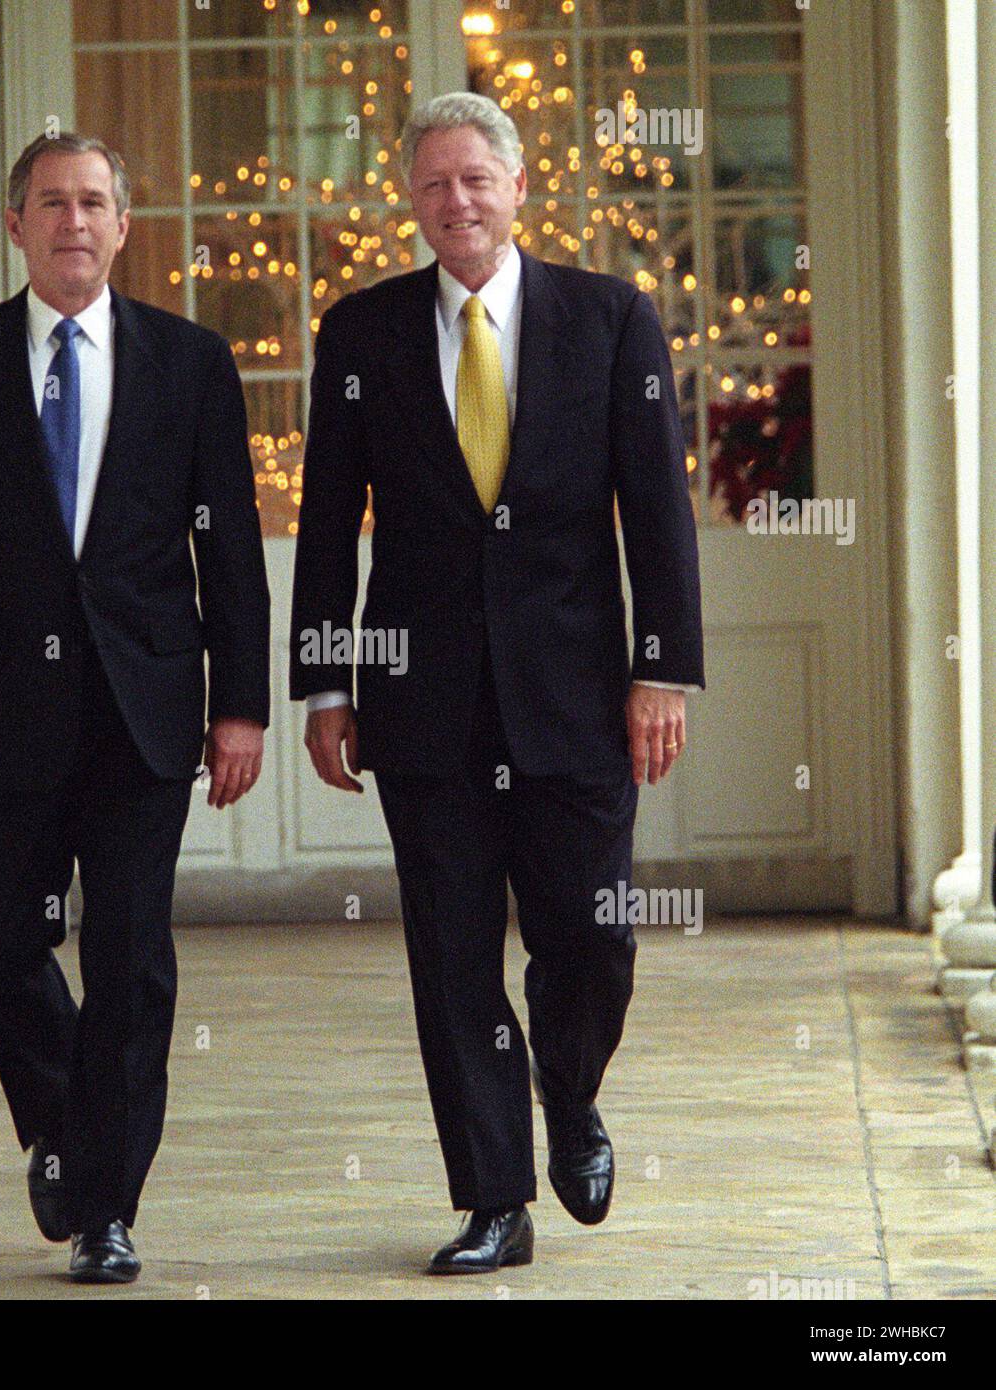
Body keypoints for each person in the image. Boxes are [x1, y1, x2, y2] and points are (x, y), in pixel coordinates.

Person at [290, 92, 704, 1274]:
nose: (455, 202)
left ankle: (567, 1089)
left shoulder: (610, 320)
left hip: (576, 698)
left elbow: (655, 514)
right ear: (410, 200)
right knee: (453, 955)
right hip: (421, 707)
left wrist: (660, 669)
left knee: (590, 936)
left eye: (475, 178)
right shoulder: (359, 335)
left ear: (519, 186)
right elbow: (327, 524)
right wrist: (326, 684)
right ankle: (491, 1198)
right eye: (432, 184)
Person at [0, 132, 269, 1284]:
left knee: (132, 961)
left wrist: (239, 703)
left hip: (146, 710)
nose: (74, 222)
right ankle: (64, 1123)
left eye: (94, 203)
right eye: (52, 203)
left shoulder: (190, 364)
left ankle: (106, 1209)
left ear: (123, 225)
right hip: (5, 709)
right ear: (17, 224)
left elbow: (228, 547)